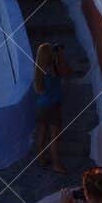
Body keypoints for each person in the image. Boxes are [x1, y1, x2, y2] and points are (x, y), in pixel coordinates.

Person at [32, 42, 72, 174]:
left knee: (42, 133)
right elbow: (68, 71)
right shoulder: (52, 68)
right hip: (53, 107)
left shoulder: (39, 69)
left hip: (41, 106)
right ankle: (56, 164)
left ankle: (41, 159)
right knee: (54, 137)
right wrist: (60, 55)